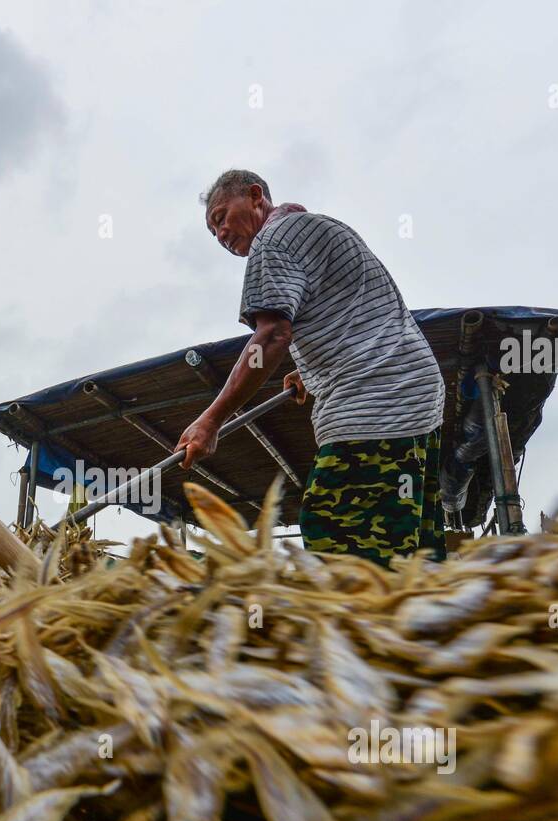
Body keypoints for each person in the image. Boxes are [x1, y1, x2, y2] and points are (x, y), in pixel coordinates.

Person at [176, 169, 446, 566]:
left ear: (255, 196)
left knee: (334, 549)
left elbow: (271, 338)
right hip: (418, 402)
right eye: (212, 231)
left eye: (221, 217)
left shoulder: (271, 241)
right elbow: (353, 313)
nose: (220, 235)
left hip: (373, 407)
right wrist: (313, 371)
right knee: (410, 564)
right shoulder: (320, 227)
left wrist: (211, 421)